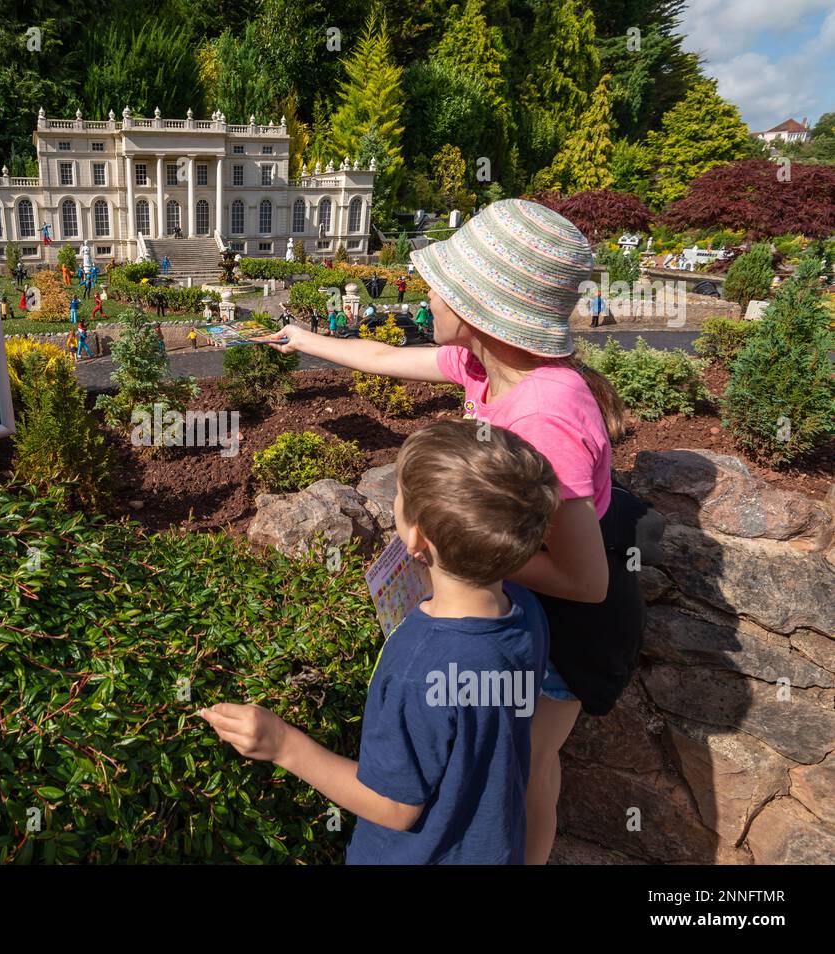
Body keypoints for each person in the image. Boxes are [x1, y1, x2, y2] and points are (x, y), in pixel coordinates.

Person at [253, 199, 648, 865]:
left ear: (478, 310)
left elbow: (587, 581)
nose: (424, 292)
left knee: (527, 767)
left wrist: (457, 544)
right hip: (510, 593)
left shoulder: (544, 416)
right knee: (499, 758)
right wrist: (303, 339)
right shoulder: (485, 366)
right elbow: (381, 356)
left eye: (441, 284)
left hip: (566, 626)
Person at [201, 419, 557, 864]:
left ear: (416, 536)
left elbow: (394, 806)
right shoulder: (525, 613)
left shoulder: (419, 665)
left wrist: (283, 744)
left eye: (400, 496)